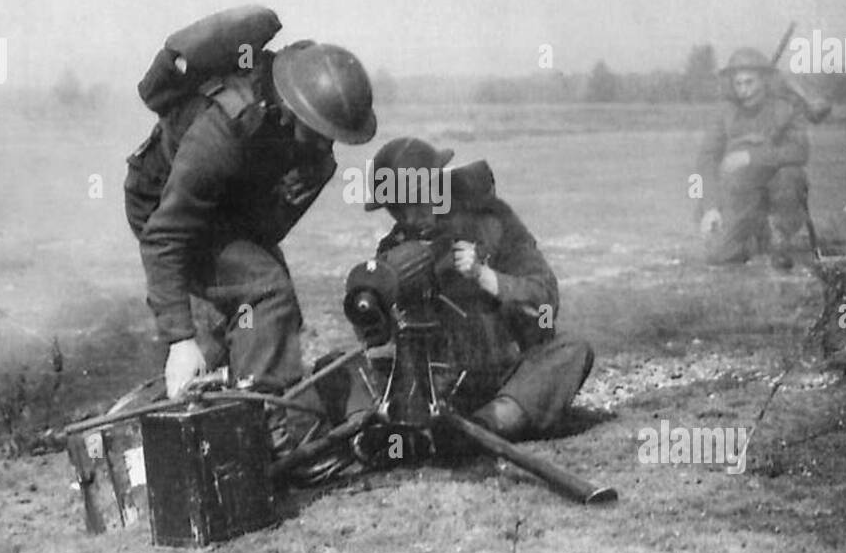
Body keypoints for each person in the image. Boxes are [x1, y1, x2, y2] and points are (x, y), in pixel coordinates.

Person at [125, 38, 377, 418]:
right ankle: (260, 426)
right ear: (292, 112)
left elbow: (264, 234)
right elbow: (164, 237)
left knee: (264, 305)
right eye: (319, 131)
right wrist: (179, 339)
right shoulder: (224, 130)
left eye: (334, 136)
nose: (326, 145)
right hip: (161, 207)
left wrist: (287, 195)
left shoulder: (315, 160)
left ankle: (220, 407)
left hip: (222, 211)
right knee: (267, 291)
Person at [363, 136, 594, 440]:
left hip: (500, 375)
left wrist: (484, 276)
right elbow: (380, 340)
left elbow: (545, 301)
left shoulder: (491, 223)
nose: (408, 216)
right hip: (435, 382)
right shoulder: (393, 250)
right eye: (396, 207)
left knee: (572, 348)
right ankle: (392, 431)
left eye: (415, 199)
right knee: (338, 369)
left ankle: (483, 427)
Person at [695, 47, 811, 269]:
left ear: (764, 81)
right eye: (738, 84)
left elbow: (799, 151)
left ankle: (779, 236)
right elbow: (706, 159)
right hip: (740, 193)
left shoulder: (785, 108)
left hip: (777, 187)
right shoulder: (724, 112)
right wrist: (710, 206)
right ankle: (755, 234)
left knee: (790, 175)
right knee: (720, 254)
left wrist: (751, 157)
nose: (744, 91)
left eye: (750, 83)